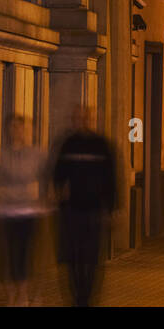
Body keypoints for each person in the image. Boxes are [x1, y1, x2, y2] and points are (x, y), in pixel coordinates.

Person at [50, 106, 117, 306]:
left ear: (91, 119)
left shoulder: (101, 145)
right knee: (72, 258)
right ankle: (77, 297)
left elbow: (111, 179)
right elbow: (58, 174)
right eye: (77, 118)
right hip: (71, 210)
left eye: (85, 118)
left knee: (92, 259)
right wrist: (58, 191)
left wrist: (112, 209)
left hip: (95, 211)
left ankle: (87, 298)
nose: (81, 121)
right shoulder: (67, 144)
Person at [0, 114, 45, 306]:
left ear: (26, 130)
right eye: (13, 127)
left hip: (28, 211)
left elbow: (42, 177)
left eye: (20, 127)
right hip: (6, 211)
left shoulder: (36, 154)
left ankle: (23, 294)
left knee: (24, 254)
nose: (16, 131)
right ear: (8, 130)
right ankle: (10, 296)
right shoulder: (2, 154)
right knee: (7, 255)